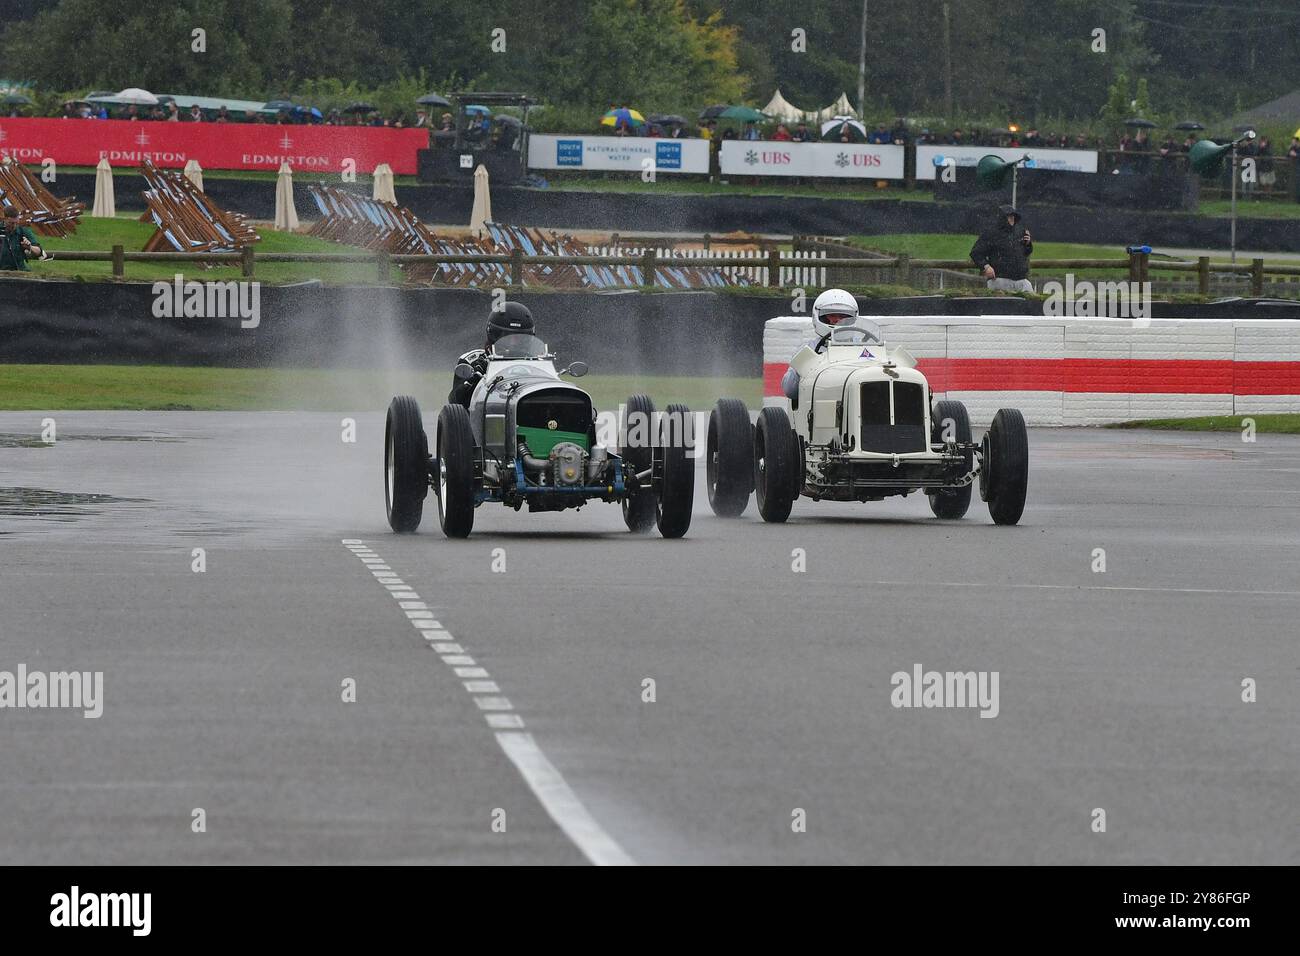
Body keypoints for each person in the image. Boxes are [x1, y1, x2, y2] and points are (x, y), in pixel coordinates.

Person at [450, 302, 536, 407]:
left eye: (519, 338)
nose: (513, 343)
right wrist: (475, 380)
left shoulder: (537, 365)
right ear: (493, 334)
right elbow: (455, 402)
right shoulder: (472, 361)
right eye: (507, 337)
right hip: (484, 416)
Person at [780, 289, 859, 401]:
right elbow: (789, 390)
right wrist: (802, 366)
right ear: (819, 316)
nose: (837, 320)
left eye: (842, 316)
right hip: (819, 403)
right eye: (832, 315)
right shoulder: (809, 349)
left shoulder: (862, 346)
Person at [970, 204, 1033, 293]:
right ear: (1002, 217)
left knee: (1031, 304)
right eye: (1009, 216)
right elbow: (976, 253)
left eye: (1013, 216)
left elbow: (1026, 253)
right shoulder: (991, 233)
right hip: (999, 280)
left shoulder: (1019, 231)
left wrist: (1027, 244)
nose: (1012, 218)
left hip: (1021, 280)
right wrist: (986, 267)